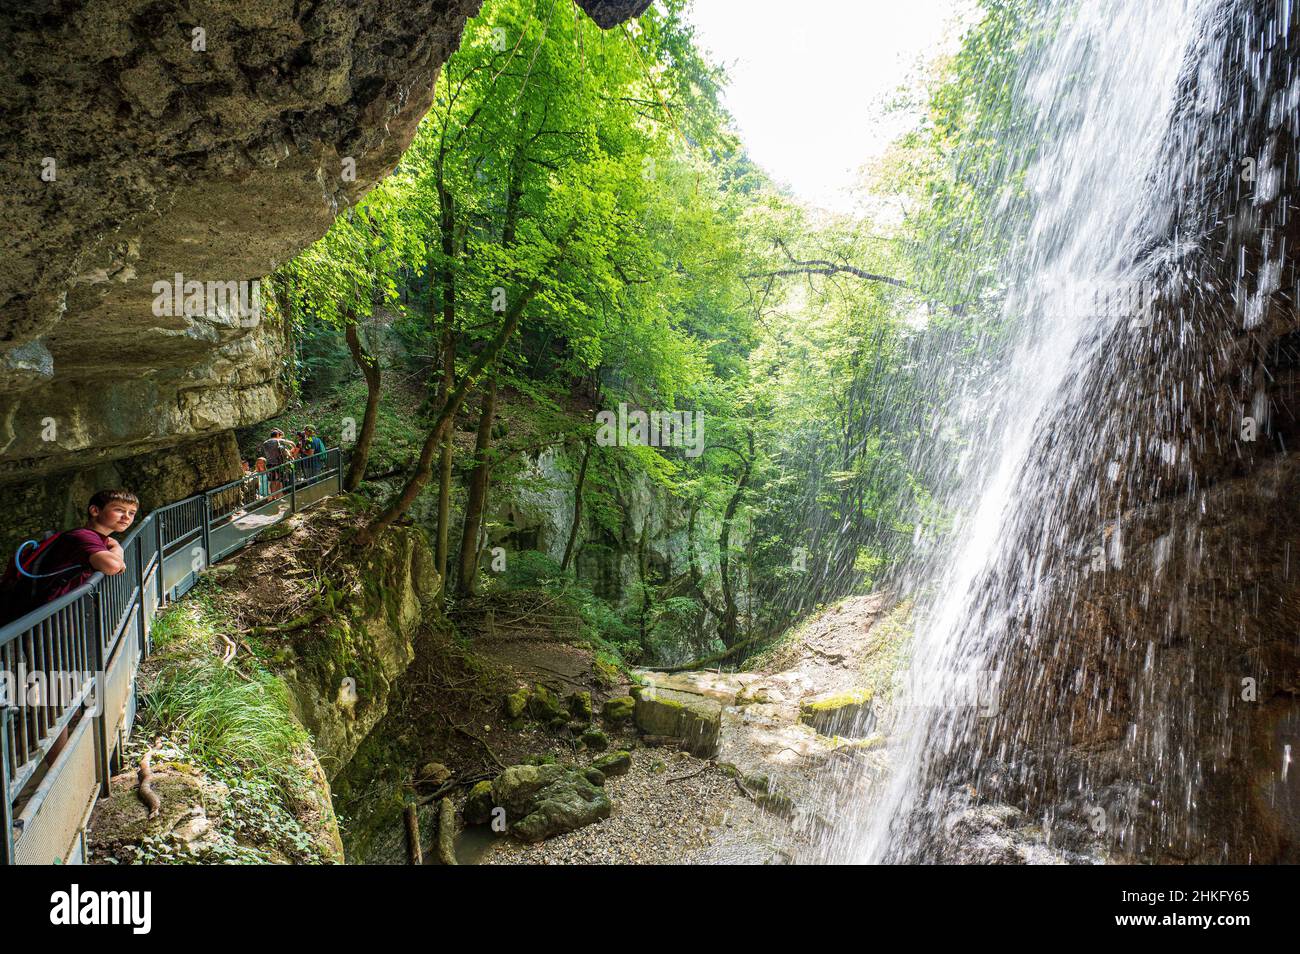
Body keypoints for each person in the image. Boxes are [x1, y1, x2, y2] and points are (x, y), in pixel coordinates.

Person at [0, 489, 139, 625]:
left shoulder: (91, 537)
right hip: (49, 616)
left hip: (53, 612)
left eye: (131, 513)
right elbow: (112, 566)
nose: (127, 516)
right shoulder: (84, 536)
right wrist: (117, 549)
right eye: (119, 510)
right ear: (95, 511)